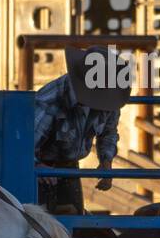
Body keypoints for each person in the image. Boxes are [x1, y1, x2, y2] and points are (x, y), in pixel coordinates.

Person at [33, 45, 131, 215]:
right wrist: (37, 166)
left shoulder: (108, 97)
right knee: (40, 226)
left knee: (73, 220)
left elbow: (109, 132)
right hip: (40, 171)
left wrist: (106, 161)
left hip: (70, 167)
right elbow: (26, 142)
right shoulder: (51, 100)